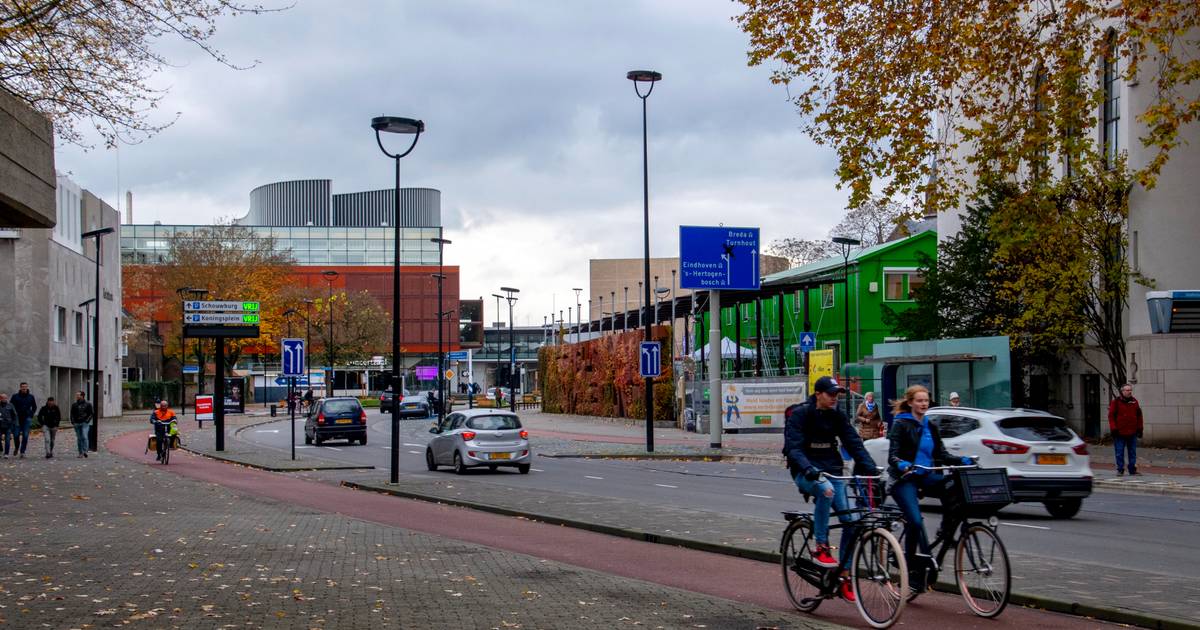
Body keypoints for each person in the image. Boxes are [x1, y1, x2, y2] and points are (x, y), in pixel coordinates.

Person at [783, 376, 880, 602]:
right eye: (831, 394)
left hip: (832, 469)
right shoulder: (801, 414)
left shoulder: (837, 416)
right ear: (818, 394)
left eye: (837, 394)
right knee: (825, 490)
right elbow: (793, 448)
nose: (835, 398)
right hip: (805, 471)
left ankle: (844, 576)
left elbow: (853, 443)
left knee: (853, 522)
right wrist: (808, 469)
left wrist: (872, 469)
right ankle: (821, 545)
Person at [887, 385, 973, 592]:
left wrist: (962, 459)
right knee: (915, 521)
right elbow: (893, 454)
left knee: (954, 488)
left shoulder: (930, 426)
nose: (923, 404)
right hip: (904, 478)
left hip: (925, 476)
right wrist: (901, 464)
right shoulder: (901, 424)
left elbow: (942, 454)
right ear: (910, 403)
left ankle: (946, 531)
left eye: (926, 401)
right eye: (919, 401)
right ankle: (911, 568)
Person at [1108, 384, 1144, 476]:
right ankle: (1120, 469)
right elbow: (1111, 416)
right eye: (1127, 390)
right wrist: (1113, 428)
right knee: (1119, 452)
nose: (1129, 392)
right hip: (1119, 432)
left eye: (1130, 390)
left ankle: (1132, 469)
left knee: (1132, 452)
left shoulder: (1134, 401)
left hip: (1132, 431)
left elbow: (1139, 415)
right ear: (1122, 391)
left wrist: (1140, 428)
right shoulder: (1115, 402)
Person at [11, 382, 37, 459]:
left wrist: (31, 414)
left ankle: (22, 452)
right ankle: (17, 447)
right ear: (20, 387)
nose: (24, 388)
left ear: (27, 387)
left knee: (25, 436)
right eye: (23, 387)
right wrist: (13, 415)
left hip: (27, 418)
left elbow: (34, 406)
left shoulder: (31, 397)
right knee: (16, 435)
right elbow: (11, 406)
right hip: (17, 418)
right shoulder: (15, 396)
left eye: (25, 387)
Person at [70, 391, 94, 457]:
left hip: (84, 423)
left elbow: (91, 413)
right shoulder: (74, 405)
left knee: (84, 436)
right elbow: (72, 414)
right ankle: (80, 452)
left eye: (78, 395)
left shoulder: (88, 404)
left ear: (82, 396)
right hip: (77, 423)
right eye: (76, 395)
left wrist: (87, 421)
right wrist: (73, 421)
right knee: (79, 438)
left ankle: (85, 451)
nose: (77, 396)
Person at [0, 394, 17, 459]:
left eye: (5, 398)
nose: (4, 399)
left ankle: (6, 453)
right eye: (2, 398)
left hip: (8, 426)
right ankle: (1, 450)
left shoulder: (10, 405)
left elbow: (14, 415)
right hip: (0, 426)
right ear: (0, 399)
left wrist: (13, 423)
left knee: (7, 440)